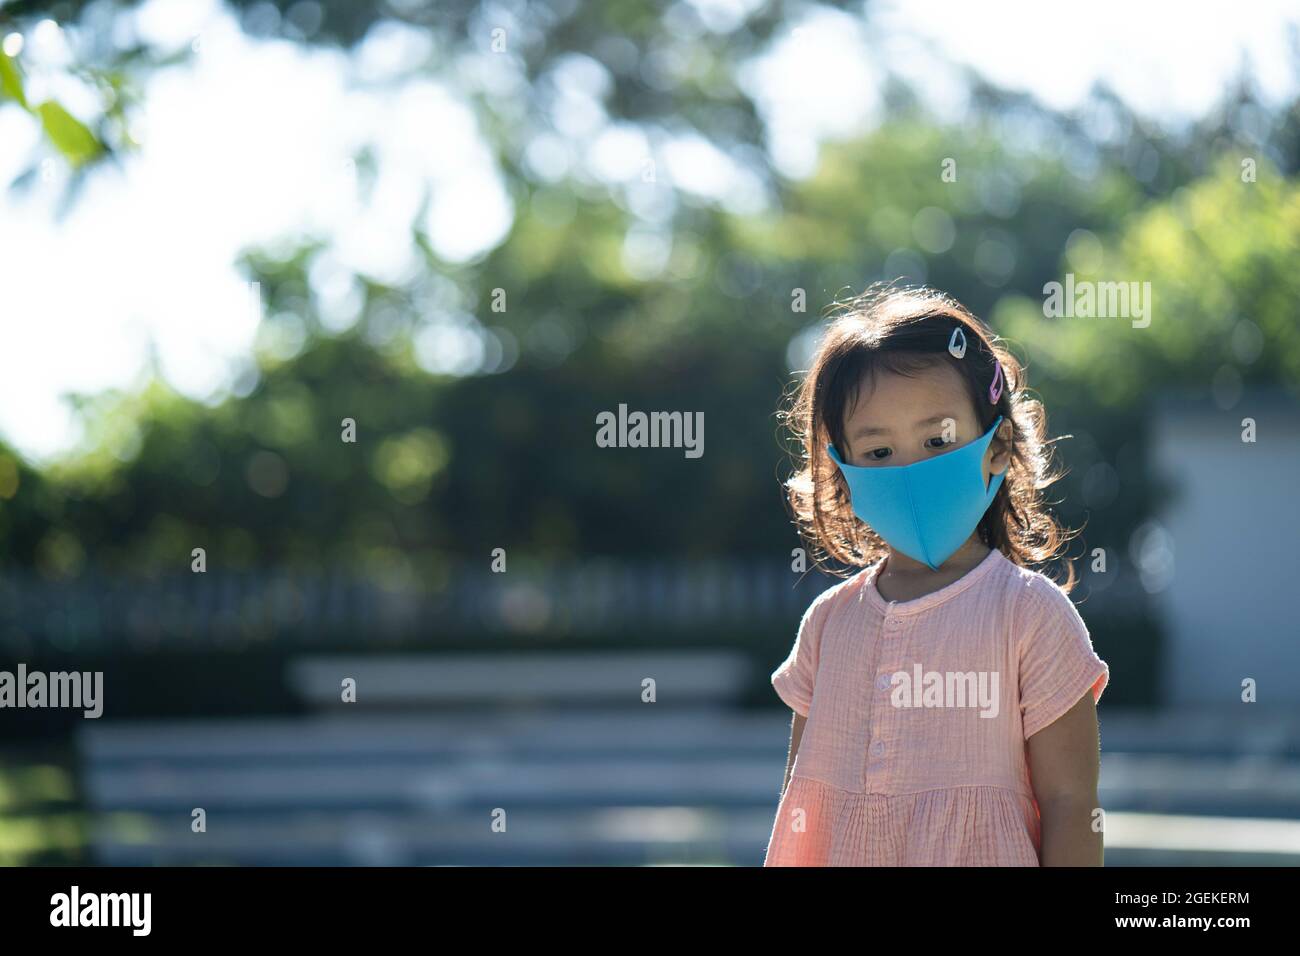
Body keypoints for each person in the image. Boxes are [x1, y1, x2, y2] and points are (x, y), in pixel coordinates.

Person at [764, 284, 1109, 866]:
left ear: (998, 446)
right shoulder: (826, 624)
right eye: (878, 453)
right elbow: (801, 802)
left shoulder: (1031, 615)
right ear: (842, 472)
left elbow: (1072, 803)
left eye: (937, 439)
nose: (910, 469)